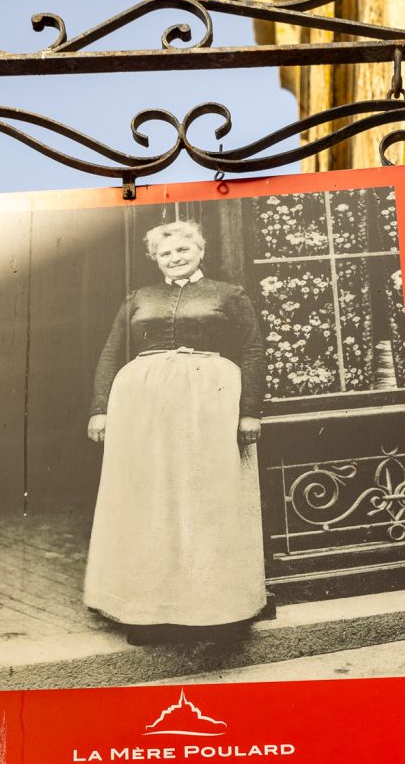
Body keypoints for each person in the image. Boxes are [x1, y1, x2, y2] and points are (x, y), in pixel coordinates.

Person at [84, 218, 268, 638]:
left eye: (183, 249)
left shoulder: (229, 295)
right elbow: (112, 353)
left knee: (207, 498)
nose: (175, 257)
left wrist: (249, 411)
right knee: (150, 499)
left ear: (200, 251)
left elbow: (253, 351)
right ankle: (148, 611)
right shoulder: (139, 298)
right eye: (165, 253)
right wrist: (100, 408)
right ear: (155, 259)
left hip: (210, 404)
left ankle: (217, 610)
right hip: (143, 409)